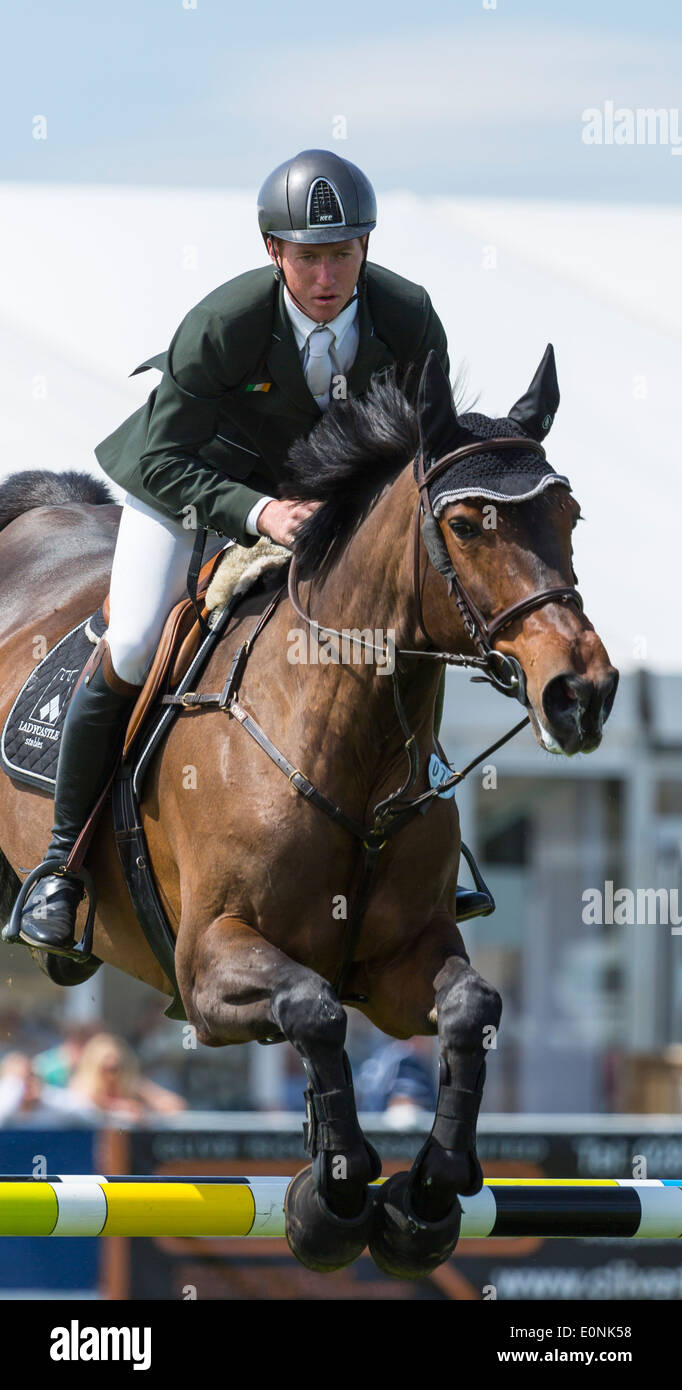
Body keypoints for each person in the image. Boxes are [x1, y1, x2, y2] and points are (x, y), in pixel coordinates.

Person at [19, 148, 452, 959]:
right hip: (190, 485)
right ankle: (60, 869)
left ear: (366, 247)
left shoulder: (408, 316)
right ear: (274, 253)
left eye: (344, 253)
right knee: (139, 639)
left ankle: (432, 849)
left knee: (395, 634)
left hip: (320, 505)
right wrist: (258, 512)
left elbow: (422, 452)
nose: (328, 276)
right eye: (309, 257)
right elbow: (161, 458)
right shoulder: (226, 323)